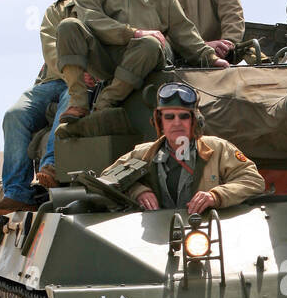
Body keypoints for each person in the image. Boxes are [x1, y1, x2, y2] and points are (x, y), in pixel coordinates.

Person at [55, 0, 228, 136]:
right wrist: (133, 32)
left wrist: (208, 56)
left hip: (149, 56)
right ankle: (78, 102)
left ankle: (107, 100)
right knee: (68, 26)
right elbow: (91, 19)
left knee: (151, 42)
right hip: (107, 55)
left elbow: (182, 28)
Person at [0, 0, 99, 215]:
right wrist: (74, 73)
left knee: (73, 98)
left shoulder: (107, 6)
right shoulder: (56, 11)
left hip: (90, 80)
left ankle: (50, 167)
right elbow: (51, 51)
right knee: (14, 115)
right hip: (55, 78)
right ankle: (16, 193)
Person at [100, 82, 264, 212]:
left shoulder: (217, 149)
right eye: (169, 117)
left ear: (194, 121)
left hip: (205, 231)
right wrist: (139, 191)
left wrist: (216, 196)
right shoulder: (144, 154)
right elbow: (106, 179)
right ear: (160, 122)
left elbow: (253, 180)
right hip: (156, 235)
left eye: (184, 116)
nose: (176, 123)